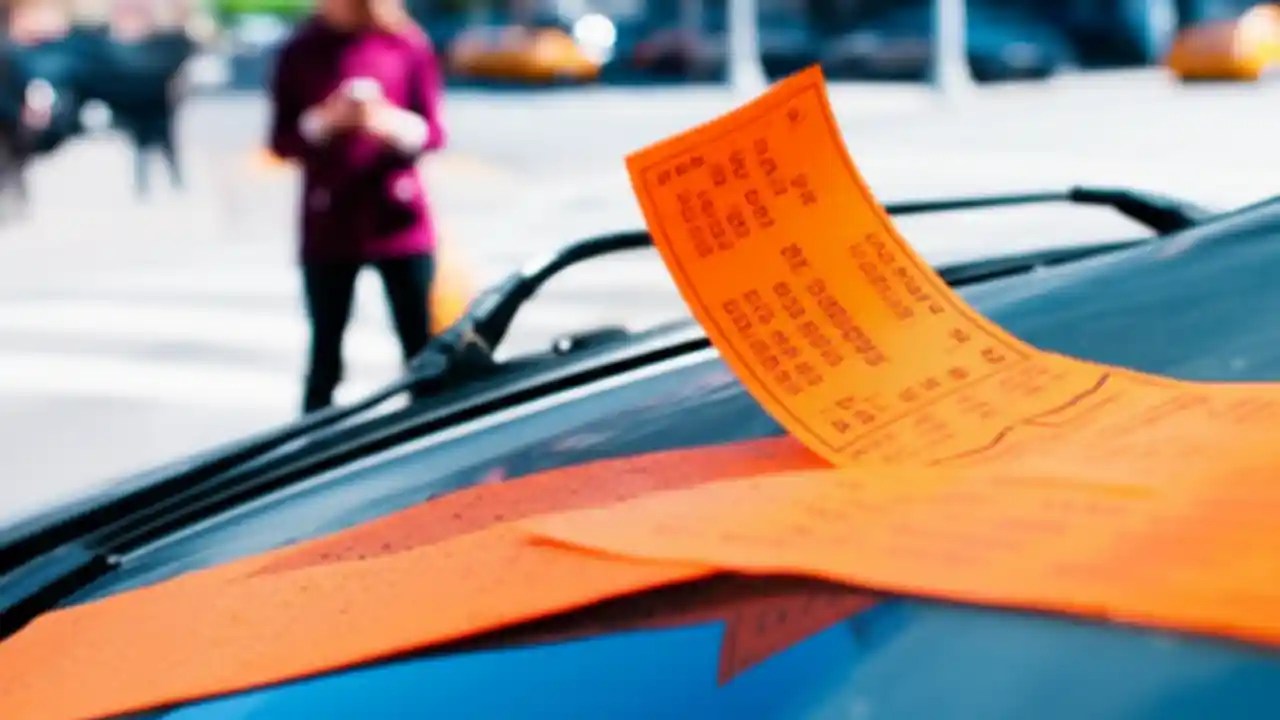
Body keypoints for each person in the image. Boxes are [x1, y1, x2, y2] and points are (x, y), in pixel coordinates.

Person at [268, 0, 447, 413]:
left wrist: (385, 122)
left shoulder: (404, 44)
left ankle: (431, 436)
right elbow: (281, 140)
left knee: (420, 347)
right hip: (330, 220)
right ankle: (313, 446)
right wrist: (326, 122)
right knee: (326, 350)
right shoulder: (301, 49)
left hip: (398, 218)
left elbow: (432, 132)